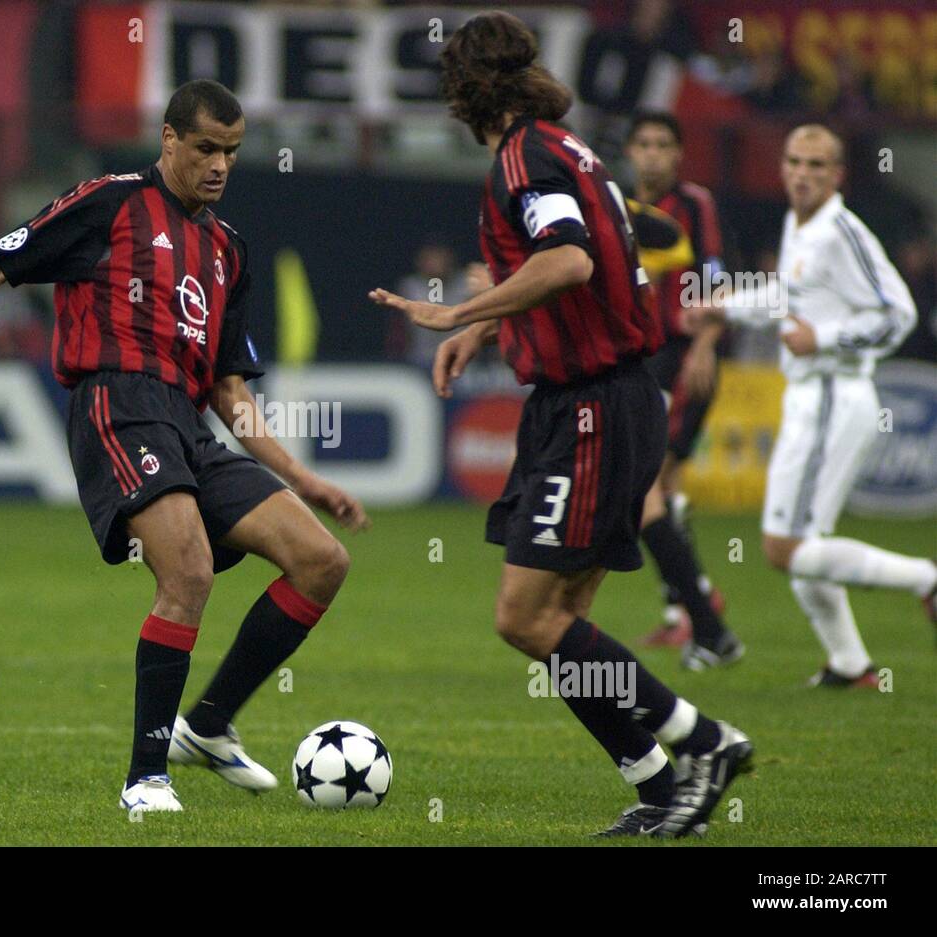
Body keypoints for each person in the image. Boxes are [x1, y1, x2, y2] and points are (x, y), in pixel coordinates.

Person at [0, 79, 368, 811]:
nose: (219, 165)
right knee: (190, 571)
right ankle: (145, 778)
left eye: (230, 151)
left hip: (189, 424)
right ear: (169, 140)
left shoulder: (228, 250)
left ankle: (207, 725)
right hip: (118, 403)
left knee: (322, 560)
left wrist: (303, 477)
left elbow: (230, 391)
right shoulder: (108, 202)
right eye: (204, 148)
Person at [370, 11, 750, 838]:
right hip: (606, 400)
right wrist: (484, 329)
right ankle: (658, 785)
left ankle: (706, 741)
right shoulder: (568, 147)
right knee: (564, 621)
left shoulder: (526, 157)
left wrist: (460, 311)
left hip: (592, 406)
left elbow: (570, 257)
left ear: (465, 90)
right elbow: (611, 250)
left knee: (525, 617)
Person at [695, 125, 935, 687]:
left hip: (833, 394)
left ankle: (926, 577)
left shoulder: (840, 232)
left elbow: (898, 314)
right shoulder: (799, 225)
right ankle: (850, 665)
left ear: (838, 175)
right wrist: (724, 307)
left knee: (785, 547)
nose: (803, 174)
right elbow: (788, 297)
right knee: (803, 540)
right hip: (813, 396)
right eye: (795, 162)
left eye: (817, 165)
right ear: (783, 167)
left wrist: (823, 341)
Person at [624, 111, 743, 668]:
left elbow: (716, 281)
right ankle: (693, 608)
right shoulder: (621, 209)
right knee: (660, 490)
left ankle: (702, 617)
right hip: (642, 361)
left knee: (645, 490)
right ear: (630, 152)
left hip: (678, 360)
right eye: (643, 144)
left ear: (678, 154)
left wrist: (705, 346)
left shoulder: (694, 205)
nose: (652, 154)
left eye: (662, 144)